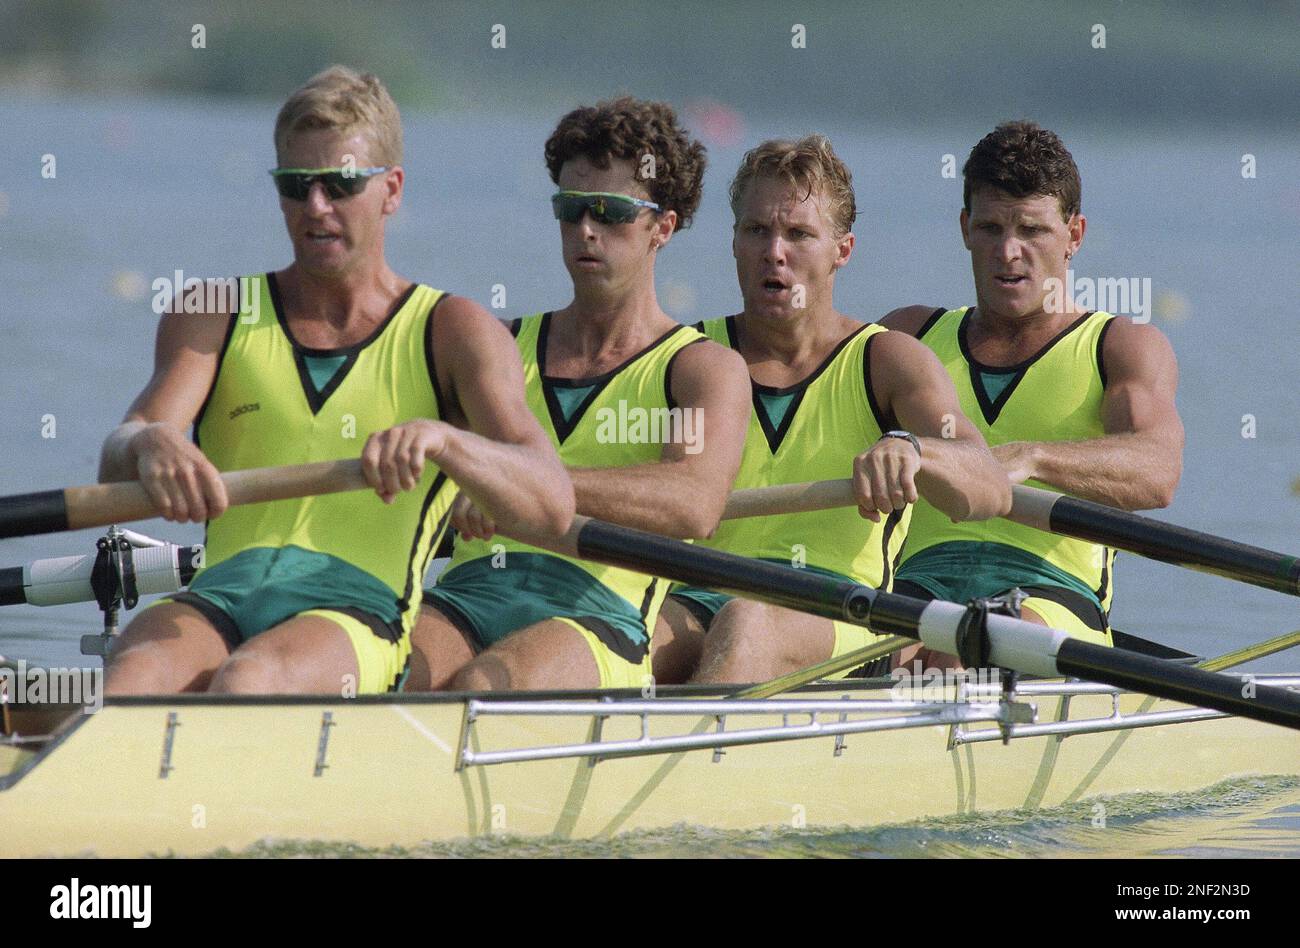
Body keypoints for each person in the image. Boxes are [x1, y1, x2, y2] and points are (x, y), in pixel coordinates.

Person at [100, 66, 573, 696]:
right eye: (295, 187)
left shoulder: (454, 329)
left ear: (392, 189)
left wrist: (448, 443)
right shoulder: (213, 310)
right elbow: (113, 466)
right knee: (130, 679)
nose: (315, 207)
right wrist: (147, 442)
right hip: (219, 597)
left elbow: (551, 500)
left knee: (250, 680)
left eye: (340, 184)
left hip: (356, 616)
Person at [413, 97, 751, 692]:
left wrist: (520, 484)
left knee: (480, 690)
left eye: (611, 212)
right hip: (470, 591)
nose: (586, 231)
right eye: (570, 210)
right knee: (383, 682)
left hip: (598, 614)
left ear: (662, 227)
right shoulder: (496, 345)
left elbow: (693, 502)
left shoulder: (701, 368)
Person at [652, 135, 1010, 685]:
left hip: (842, 611)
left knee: (748, 623)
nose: (775, 251)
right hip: (697, 596)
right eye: (757, 231)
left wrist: (913, 449)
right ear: (734, 242)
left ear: (842, 250)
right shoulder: (684, 357)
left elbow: (986, 484)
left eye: (798, 234)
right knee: (624, 635)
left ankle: (687, 763)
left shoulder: (886, 360)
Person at [882, 121, 1184, 657]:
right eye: (991, 228)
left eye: (1032, 230)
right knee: (886, 643)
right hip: (915, 585)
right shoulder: (909, 337)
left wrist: (1032, 457)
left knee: (961, 645)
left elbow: (1158, 472)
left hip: (1052, 597)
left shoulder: (1120, 346)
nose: (1008, 252)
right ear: (964, 228)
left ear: (1074, 235)